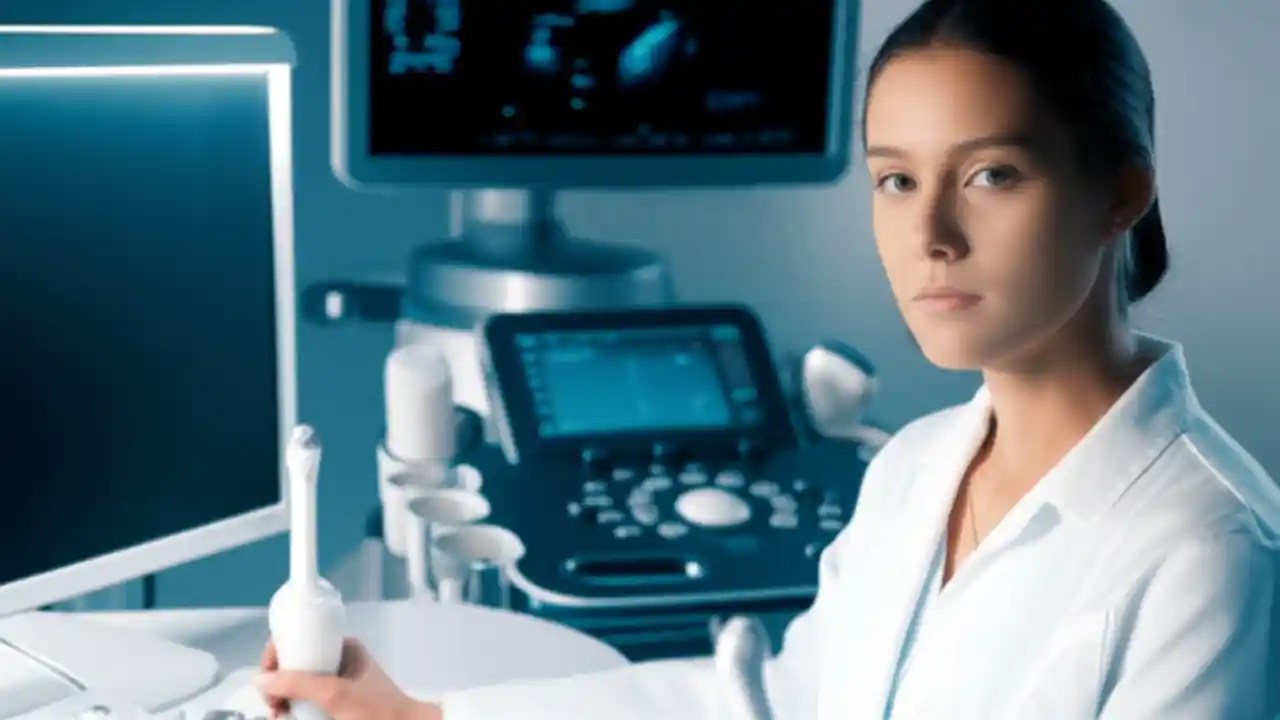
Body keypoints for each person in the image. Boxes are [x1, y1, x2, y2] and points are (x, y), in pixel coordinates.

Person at [255, 0, 1280, 717]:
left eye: (989, 174)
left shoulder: (1207, 550)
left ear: (1120, 191)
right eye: (891, 180)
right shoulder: (916, 467)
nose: (927, 232)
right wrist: (422, 719)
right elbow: (777, 703)